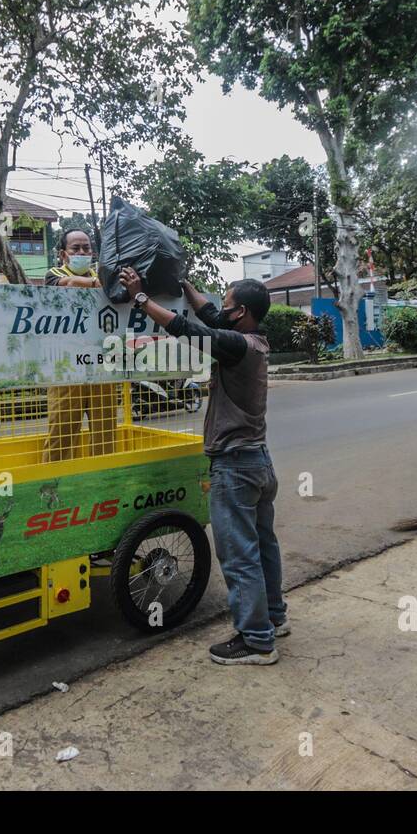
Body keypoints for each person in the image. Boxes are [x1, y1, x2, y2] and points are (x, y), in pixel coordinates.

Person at [119, 267, 286, 665]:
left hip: (235, 467)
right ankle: (274, 619)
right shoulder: (255, 341)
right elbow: (210, 317)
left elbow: (193, 331)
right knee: (263, 546)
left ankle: (257, 641)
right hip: (258, 461)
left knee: (239, 555)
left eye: (228, 304)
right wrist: (186, 286)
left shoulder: (235, 346)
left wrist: (141, 298)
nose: (221, 309)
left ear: (241, 312)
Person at [42, 229, 118, 461]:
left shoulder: (102, 276)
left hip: (101, 366)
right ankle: (52, 483)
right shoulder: (54, 274)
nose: (82, 252)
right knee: (61, 432)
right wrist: (99, 282)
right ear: (64, 254)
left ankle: (104, 482)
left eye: (87, 248)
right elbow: (71, 283)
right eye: (76, 248)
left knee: (105, 434)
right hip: (66, 368)